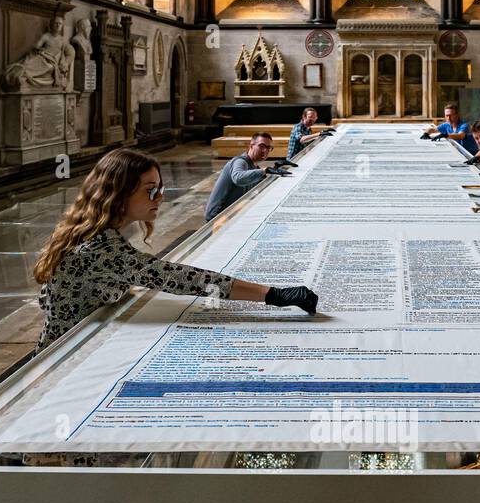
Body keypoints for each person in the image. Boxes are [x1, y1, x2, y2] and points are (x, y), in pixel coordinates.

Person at [33, 148, 316, 352]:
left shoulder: (82, 229)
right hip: (63, 354)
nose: (159, 197)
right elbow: (181, 278)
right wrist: (274, 294)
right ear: (119, 192)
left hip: (63, 342)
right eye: (150, 190)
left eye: (160, 188)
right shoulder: (101, 248)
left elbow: (47, 299)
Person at [204, 132, 291, 221]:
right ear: (251, 146)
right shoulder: (240, 161)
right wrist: (264, 170)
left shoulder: (254, 167)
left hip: (230, 214)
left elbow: (264, 185)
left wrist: (278, 168)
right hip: (218, 216)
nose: (265, 150)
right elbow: (238, 178)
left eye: (268, 148)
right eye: (261, 146)